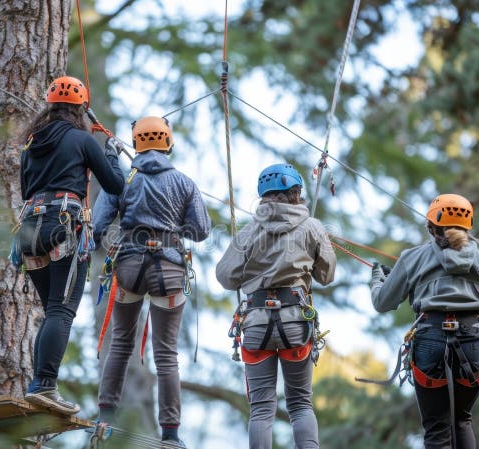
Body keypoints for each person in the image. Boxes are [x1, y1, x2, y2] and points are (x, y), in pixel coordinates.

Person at [92, 116, 211, 446]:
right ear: (168, 142)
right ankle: (171, 434)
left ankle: (105, 416)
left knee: (120, 343)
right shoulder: (184, 182)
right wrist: (173, 231)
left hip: (129, 267)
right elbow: (201, 230)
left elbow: (99, 224)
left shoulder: (124, 178)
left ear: (136, 144)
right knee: (166, 354)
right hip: (169, 270)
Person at [17, 75, 125, 414]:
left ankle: (41, 384)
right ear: (81, 108)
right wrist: (112, 154)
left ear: (50, 106)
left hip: (30, 229)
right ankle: (44, 385)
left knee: (53, 311)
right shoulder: (82, 139)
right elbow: (115, 185)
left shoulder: (31, 142)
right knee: (61, 311)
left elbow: (25, 190)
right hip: (64, 226)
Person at [369, 193, 479, 449]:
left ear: (431, 227)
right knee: (462, 420)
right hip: (473, 343)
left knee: (436, 427)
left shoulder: (413, 258)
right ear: (468, 227)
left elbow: (382, 302)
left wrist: (378, 279)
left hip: (429, 342)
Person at [215, 163, 336, 449]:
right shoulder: (312, 227)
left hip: (256, 325)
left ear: (264, 195)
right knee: (300, 404)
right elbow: (326, 275)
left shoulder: (250, 231)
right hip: (295, 323)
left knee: (261, 409)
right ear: (296, 192)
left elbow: (225, 276)